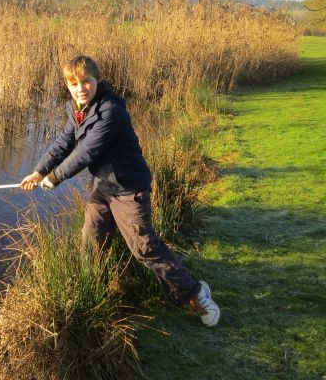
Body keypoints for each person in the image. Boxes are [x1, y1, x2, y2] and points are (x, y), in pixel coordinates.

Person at [20, 54, 220, 326]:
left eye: (86, 82)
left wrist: (54, 178)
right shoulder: (76, 109)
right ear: (67, 86)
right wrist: (39, 171)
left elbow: (86, 152)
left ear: (98, 79)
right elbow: (65, 142)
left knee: (144, 248)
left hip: (128, 187)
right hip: (103, 187)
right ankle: (90, 297)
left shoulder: (111, 110)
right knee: (91, 240)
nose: (80, 89)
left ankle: (195, 291)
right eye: (74, 84)